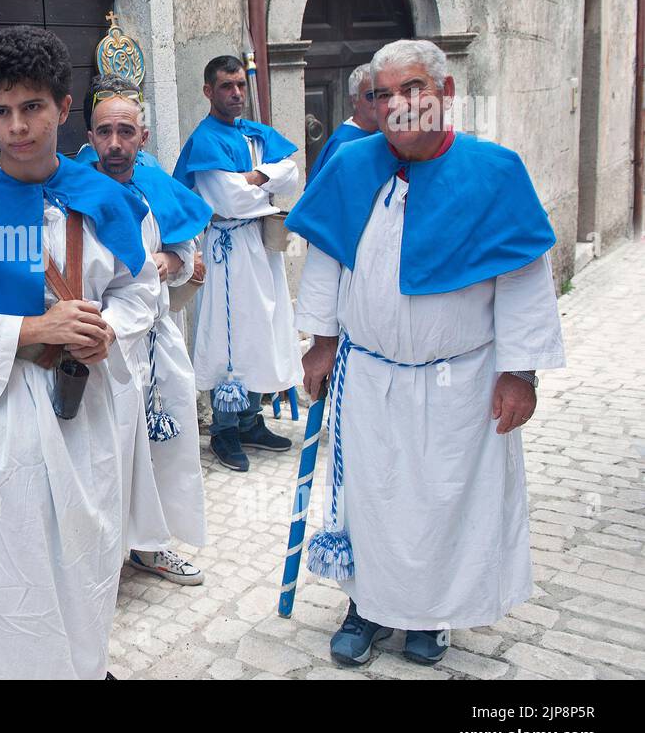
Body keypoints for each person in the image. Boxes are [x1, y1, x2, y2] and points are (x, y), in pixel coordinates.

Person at [287, 39, 565, 666]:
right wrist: (321, 342)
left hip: (460, 384)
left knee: (444, 501)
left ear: (447, 93)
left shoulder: (495, 172)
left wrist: (519, 373)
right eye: (382, 94)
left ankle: (432, 616)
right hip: (369, 376)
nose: (397, 105)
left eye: (412, 89)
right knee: (370, 497)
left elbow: (523, 279)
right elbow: (326, 257)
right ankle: (366, 606)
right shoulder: (351, 164)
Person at [0, 26, 159, 679]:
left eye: (32, 107)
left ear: (64, 107)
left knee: (87, 552)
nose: (17, 126)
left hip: (87, 407)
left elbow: (139, 292)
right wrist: (33, 329)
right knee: (14, 557)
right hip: (5, 413)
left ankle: (84, 666)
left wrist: (109, 330)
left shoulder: (106, 199)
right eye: (1, 110)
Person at [78, 74, 210, 586]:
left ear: (143, 137)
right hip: (103, 349)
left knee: (167, 451)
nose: (115, 143)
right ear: (90, 137)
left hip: (157, 342)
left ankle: (152, 547)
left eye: (126, 132)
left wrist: (165, 262)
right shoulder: (72, 193)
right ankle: (99, 563)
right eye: (105, 132)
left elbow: (184, 255)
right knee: (108, 458)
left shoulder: (154, 186)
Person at [174, 56, 301, 472]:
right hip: (226, 250)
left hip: (260, 246)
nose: (236, 93)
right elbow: (231, 200)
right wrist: (266, 180)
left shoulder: (254, 132)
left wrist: (254, 178)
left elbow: (292, 173)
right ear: (208, 91)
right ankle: (225, 429)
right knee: (229, 335)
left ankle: (250, 420)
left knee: (261, 329)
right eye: (227, 86)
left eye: (241, 85)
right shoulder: (205, 140)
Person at [307, 62, 378, 182]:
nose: (378, 101)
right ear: (354, 99)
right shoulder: (343, 143)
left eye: (383, 94)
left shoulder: (386, 133)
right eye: (371, 96)